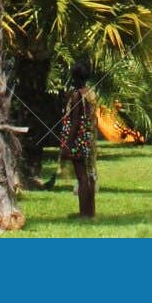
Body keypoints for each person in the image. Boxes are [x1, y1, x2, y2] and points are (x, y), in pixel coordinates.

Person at [59, 62, 97, 218]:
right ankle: (90, 211)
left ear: (75, 77)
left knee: (81, 176)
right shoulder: (90, 93)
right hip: (88, 137)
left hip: (77, 139)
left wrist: (67, 143)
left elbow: (75, 121)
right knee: (88, 175)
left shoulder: (76, 95)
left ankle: (83, 213)